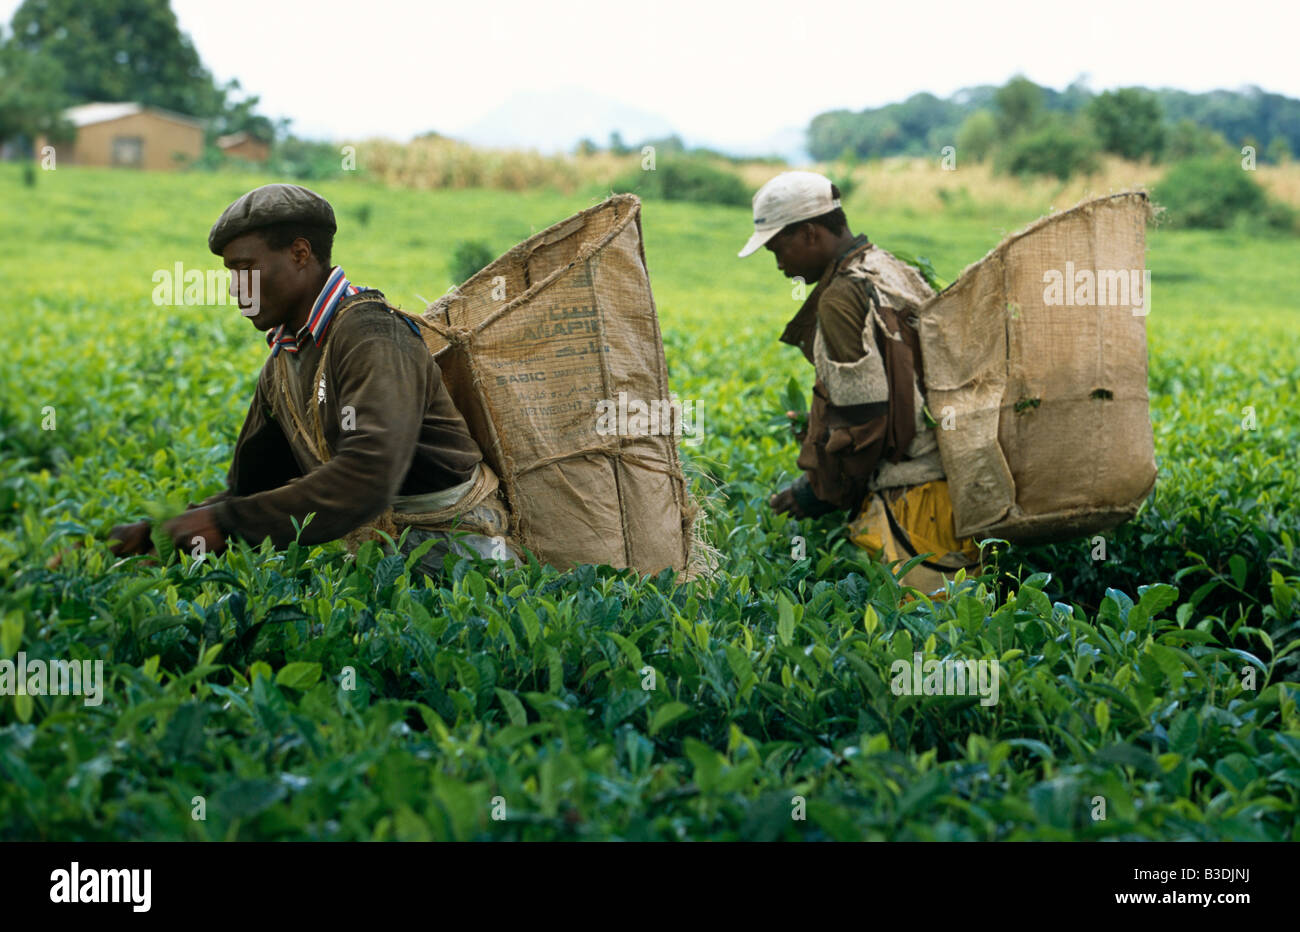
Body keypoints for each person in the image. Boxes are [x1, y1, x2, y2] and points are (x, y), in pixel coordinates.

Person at [106, 183, 518, 578]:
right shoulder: (284, 361)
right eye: (231, 274)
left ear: (300, 253)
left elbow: (366, 477)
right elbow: (251, 488)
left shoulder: (373, 335)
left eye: (246, 270)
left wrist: (222, 522)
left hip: (458, 554)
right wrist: (162, 533)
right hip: (381, 551)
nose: (236, 290)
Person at [739, 171, 982, 595]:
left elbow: (865, 421)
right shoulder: (888, 267)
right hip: (954, 488)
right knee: (969, 626)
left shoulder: (840, 298)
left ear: (811, 233)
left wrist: (816, 491)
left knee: (923, 636)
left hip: (913, 503)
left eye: (780, 249)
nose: (780, 265)